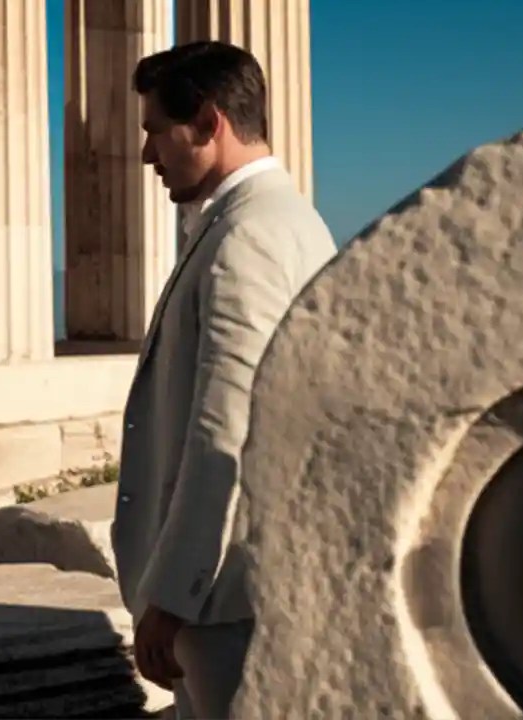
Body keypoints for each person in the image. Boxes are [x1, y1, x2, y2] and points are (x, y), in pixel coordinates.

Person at [110, 41, 337, 718]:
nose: (147, 153)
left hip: (225, 601)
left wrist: (173, 597)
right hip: (235, 591)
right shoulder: (277, 221)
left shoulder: (249, 237)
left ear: (208, 122)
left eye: (155, 129)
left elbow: (228, 430)